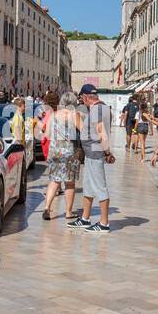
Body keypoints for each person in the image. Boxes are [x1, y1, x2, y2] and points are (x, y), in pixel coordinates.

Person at [69, 84, 114, 233]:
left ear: (87, 96)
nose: (82, 101)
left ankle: (104, 223)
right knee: (88, 187)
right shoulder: (98, 109)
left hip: (95, 153)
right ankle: (85, 218)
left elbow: (101, 132)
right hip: (90, 154)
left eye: (82, 98)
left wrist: (107, 152)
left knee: (100, 187)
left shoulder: (98, 110)